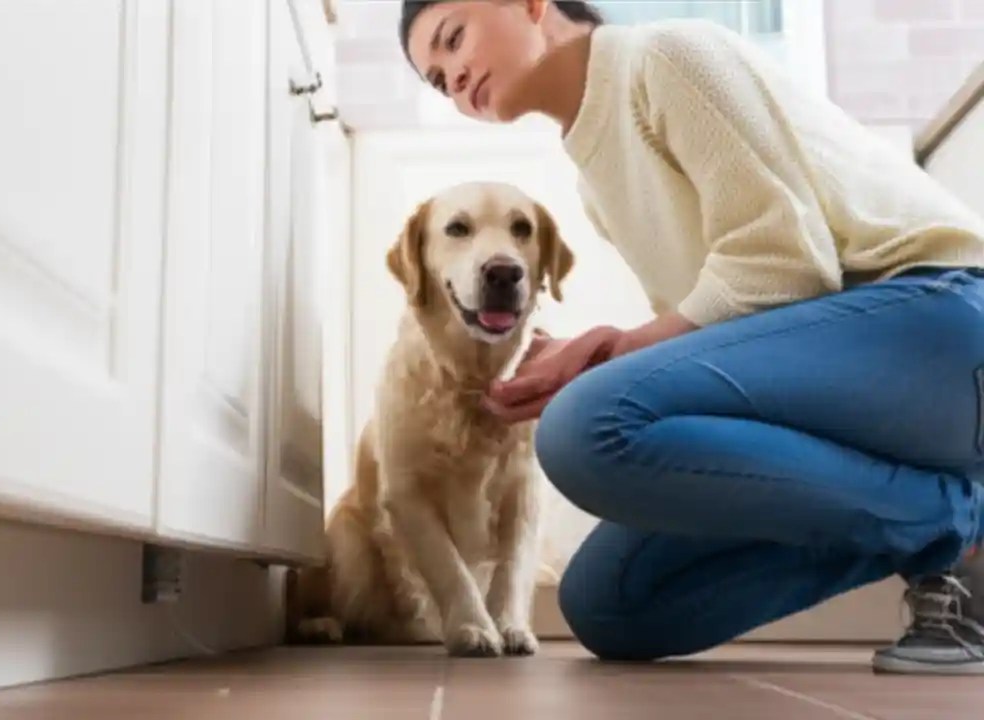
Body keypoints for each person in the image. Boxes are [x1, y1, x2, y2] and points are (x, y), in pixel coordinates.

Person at [399, 0, 984, 674]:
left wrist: (608, 352)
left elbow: (785, 263)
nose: (455, 80)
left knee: (583, 428)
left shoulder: (667, 58)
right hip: (858, 380)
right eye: (438, 81)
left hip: (939, 329)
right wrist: (610, 350)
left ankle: (952, 525)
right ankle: (927, 529)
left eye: (453, 39)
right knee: (608, 603)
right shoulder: (596, 177)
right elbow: (722, 334)